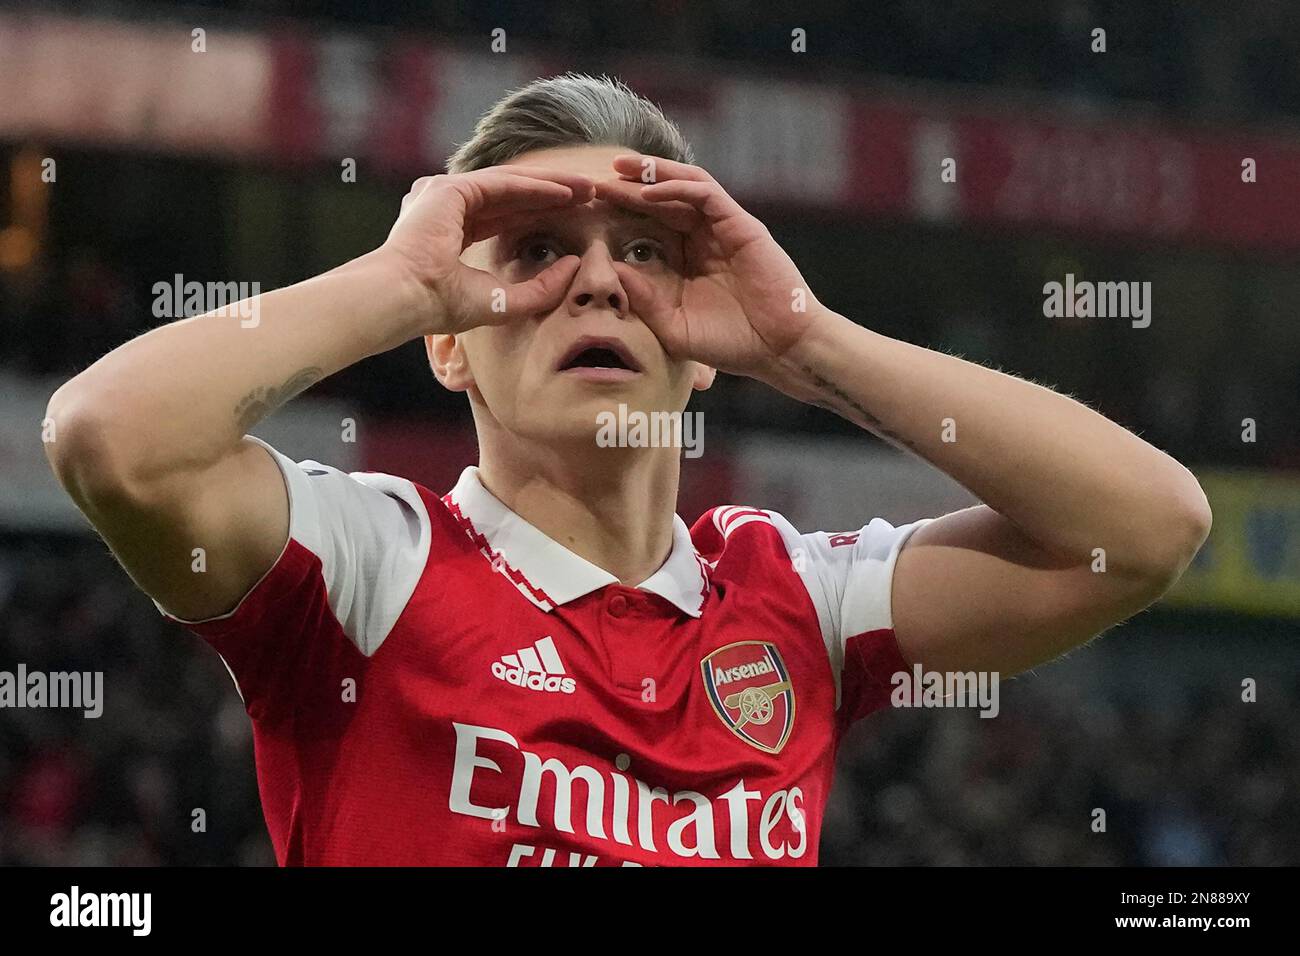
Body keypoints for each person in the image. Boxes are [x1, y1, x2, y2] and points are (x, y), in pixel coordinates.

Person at [44, 74, 1210, 866]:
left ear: (701, 353)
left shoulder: (793, 597)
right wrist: (397, 288)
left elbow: (1147, 525)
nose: (598, 283)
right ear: (450, 345)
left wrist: (808, 342)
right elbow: (109, 435)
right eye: (540, 252)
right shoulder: (367, 565)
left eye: (645, 255)